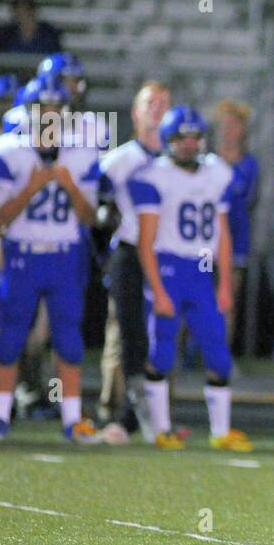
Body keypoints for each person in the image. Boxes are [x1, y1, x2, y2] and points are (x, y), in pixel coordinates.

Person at [0, 74, 101, 443]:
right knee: (10, 336)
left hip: (64, 256)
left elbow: (91, 217)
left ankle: (71, 421)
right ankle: (0, 417)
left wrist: (70, 186)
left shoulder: (82, 152)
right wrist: (31, 189)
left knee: (68, 340)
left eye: (56, 110)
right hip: (22, 255)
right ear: (29, 113)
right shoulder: (6, 151)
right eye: (42, 110)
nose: (50, 118)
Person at [129, 105, 250, 452]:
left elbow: (223, 234)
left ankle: (221, 431)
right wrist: (156, 286)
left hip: (200, 268)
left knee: (218, 354)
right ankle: (160, 429)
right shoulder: (155, 175)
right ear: (168, 141)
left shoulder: (217, 173)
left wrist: (225, 283)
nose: (189, 144)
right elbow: (145, 240)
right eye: (182, 138)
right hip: (168, 265)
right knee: (163, 352)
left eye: (195, 137)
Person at [99, 82, 171, 439]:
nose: (156, 109)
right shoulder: (119, 160)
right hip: (129, 253)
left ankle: (155, 415)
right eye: (150, 103)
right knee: (127, 336)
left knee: (162, 337)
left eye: (163, 103)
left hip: (170, 257)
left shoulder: (180, 158)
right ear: (135, 111)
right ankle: (123, 414)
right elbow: (98, 212)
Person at [212, 99, 260, 353]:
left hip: (235, 244)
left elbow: (248, 201)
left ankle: (220, 356)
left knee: (226, 301)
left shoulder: (249, 166)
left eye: (233, 125)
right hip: (204, 244)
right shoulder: (206, 162)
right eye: (224, 125)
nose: (228, 131)